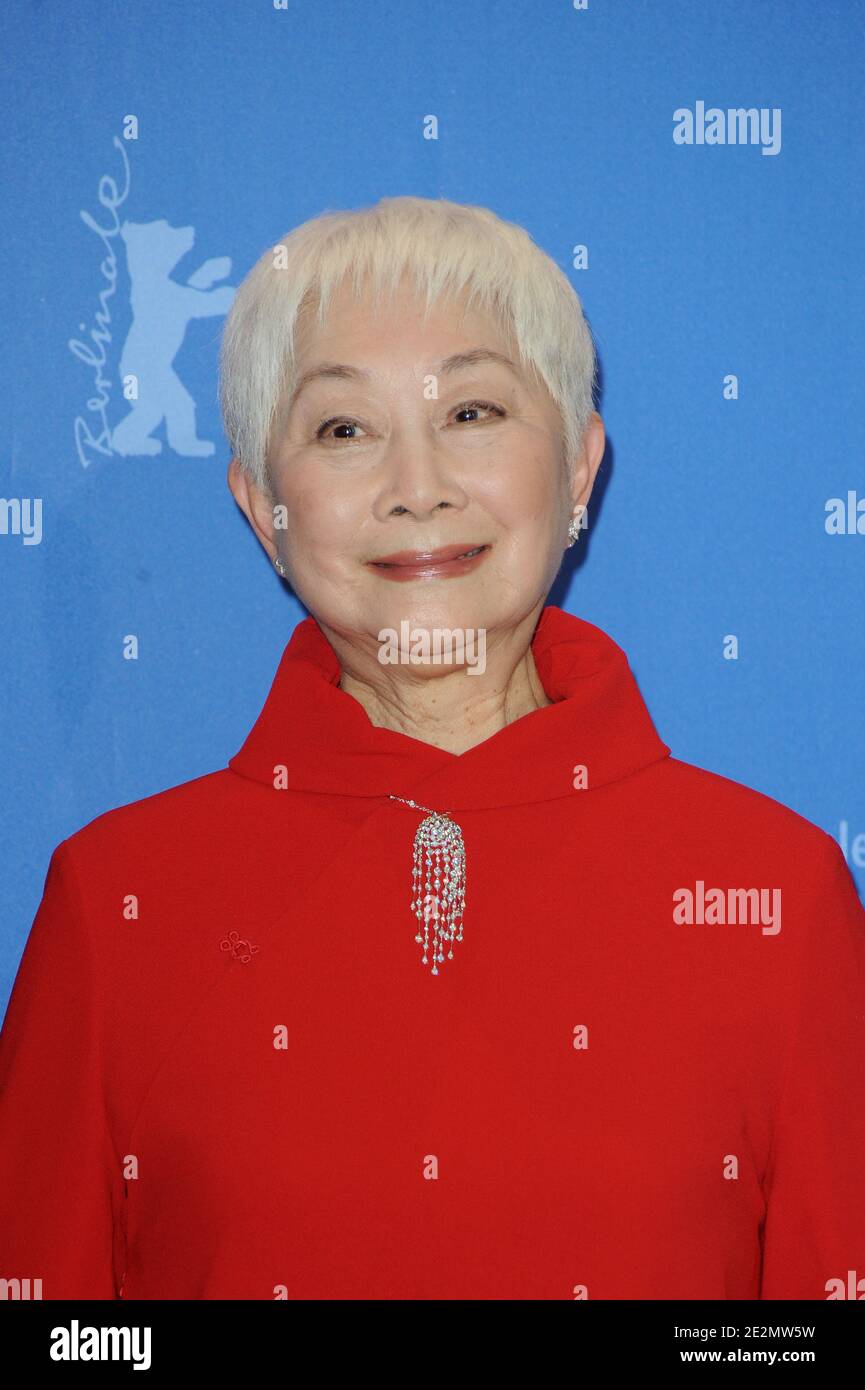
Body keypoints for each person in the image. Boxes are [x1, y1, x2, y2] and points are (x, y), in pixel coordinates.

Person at [1, 196, 863, 1300]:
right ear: (264, 505)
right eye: (343, 430)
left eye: (472, 411)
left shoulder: (773, 892)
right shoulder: (113, 900)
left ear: (581, 469)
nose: (418, 487)